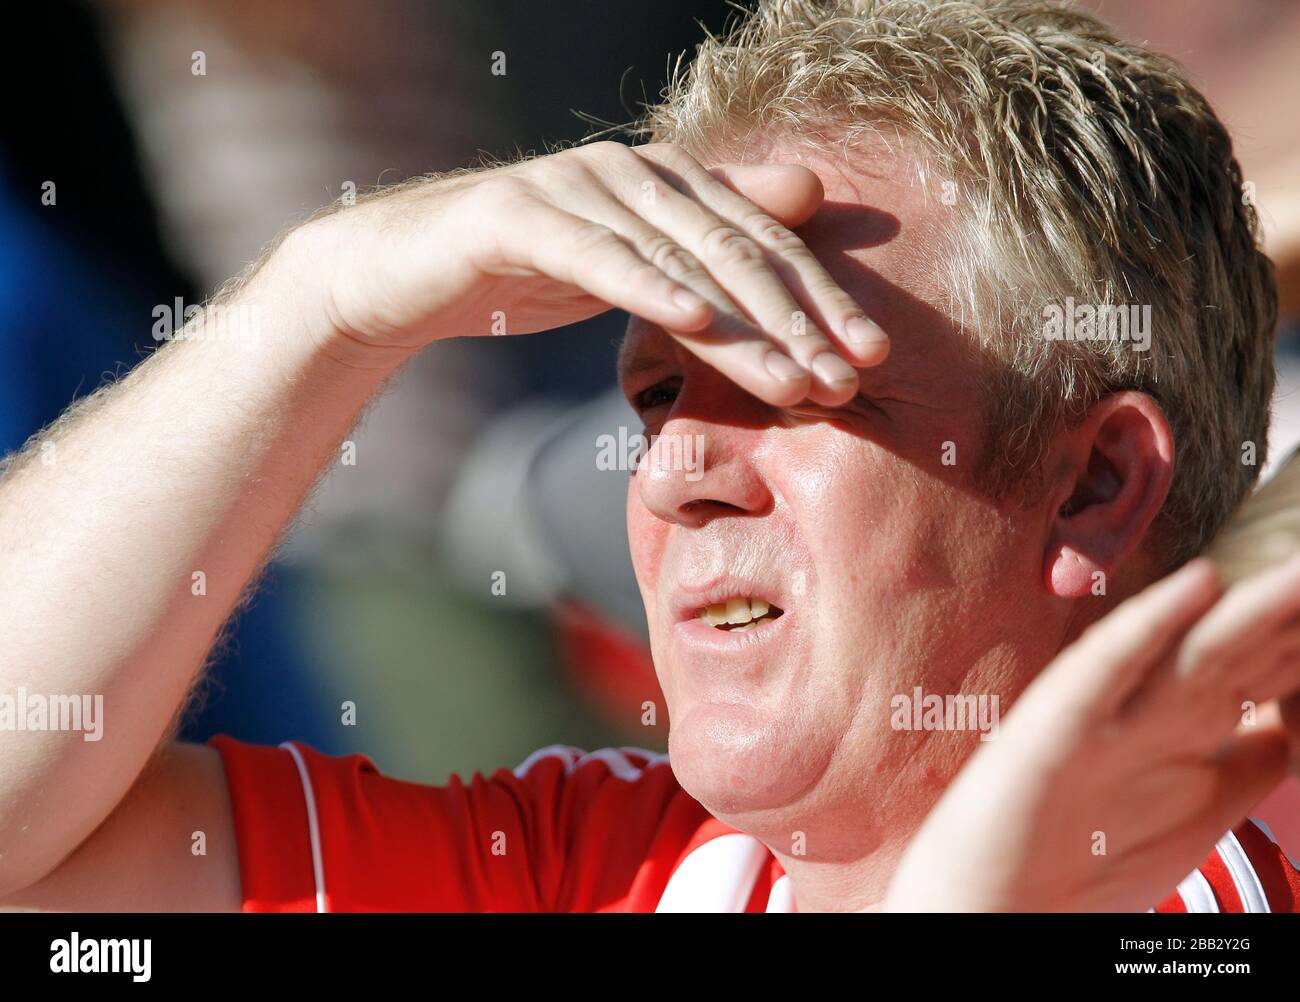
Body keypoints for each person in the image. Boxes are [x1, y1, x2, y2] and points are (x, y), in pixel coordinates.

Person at [2, 0, 1299, 912]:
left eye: (796, 384)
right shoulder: (604, 860)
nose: (680, 473)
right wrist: (319, 302)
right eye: (660, 393)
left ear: (1095, 487)